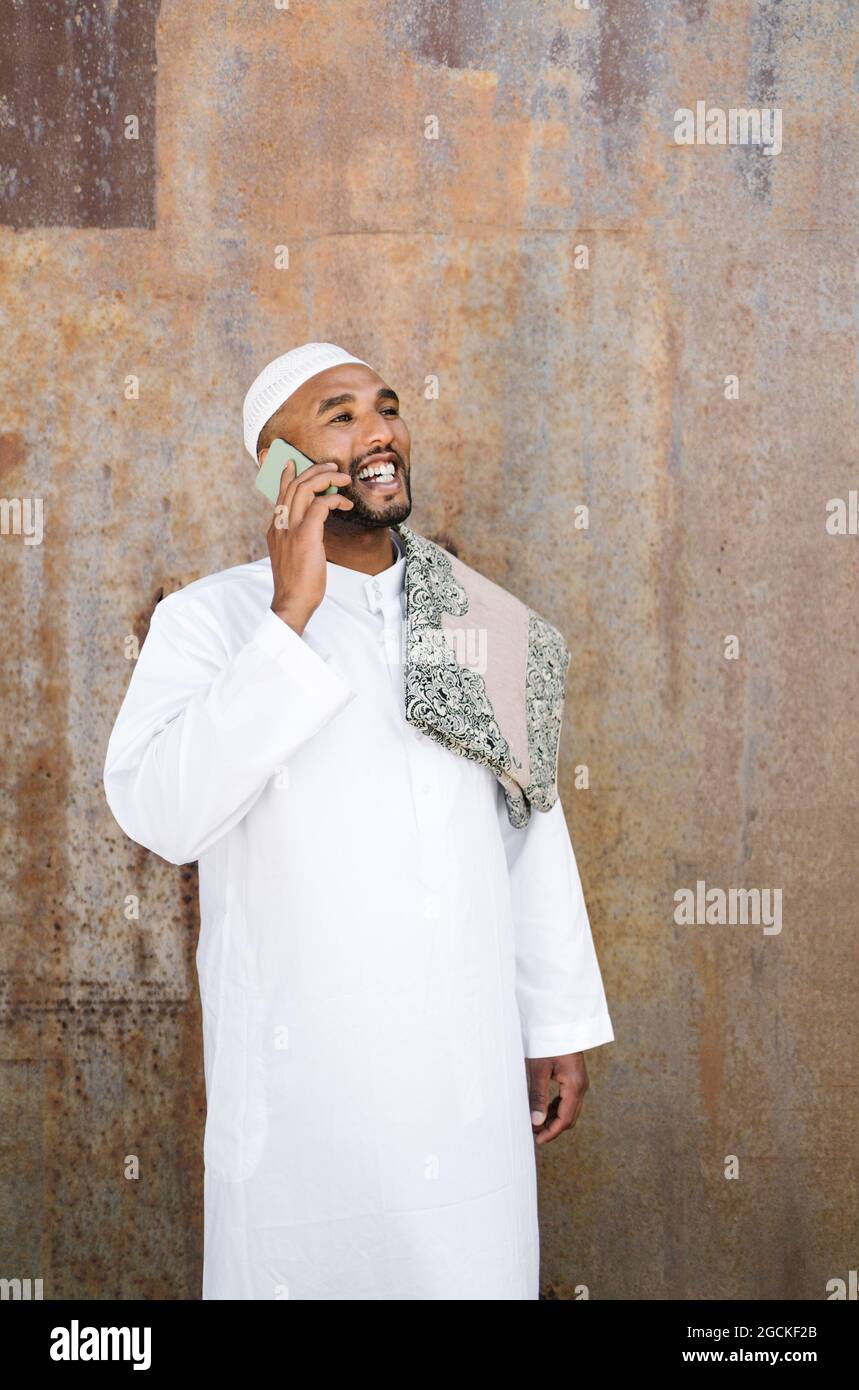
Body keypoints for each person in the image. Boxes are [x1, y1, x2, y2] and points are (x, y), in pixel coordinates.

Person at [102, 342, 615, 1300]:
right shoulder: (211, 624)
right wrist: (287, 617)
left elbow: (530, 831)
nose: (379, 431)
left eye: (386, 408)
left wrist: (556, 1021)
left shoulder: (478, 621)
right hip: (301, 1083)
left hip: (459, 1075)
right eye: (339, 415)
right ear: (275, 466)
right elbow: (164, 812)